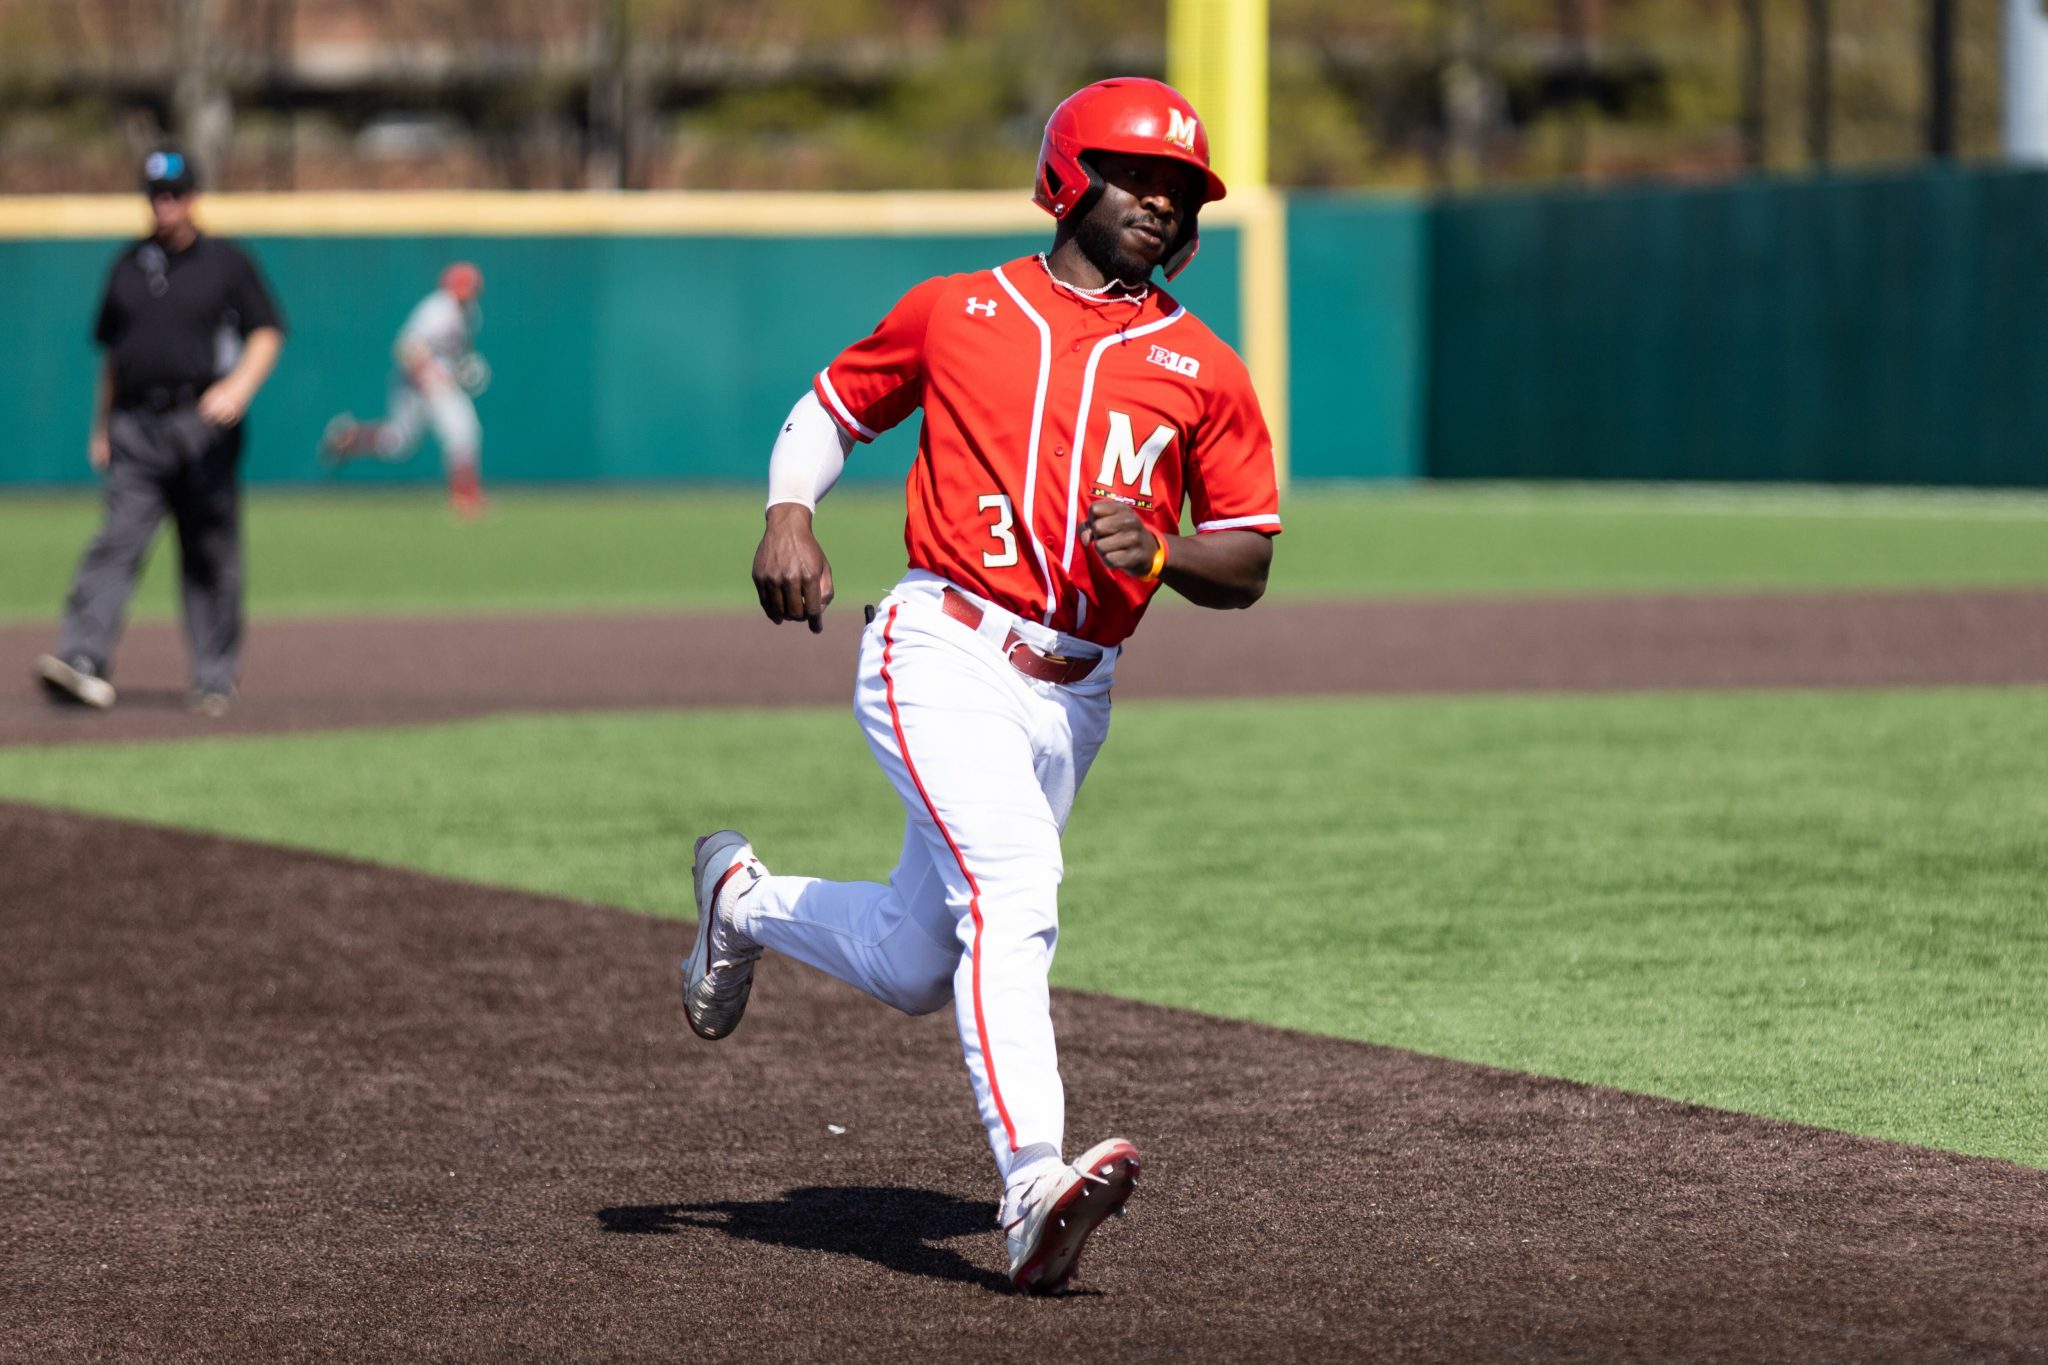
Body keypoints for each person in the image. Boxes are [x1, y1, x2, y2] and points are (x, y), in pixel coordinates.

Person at [680, 78, 1283, 1295]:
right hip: (940, 645)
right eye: (1136, 177)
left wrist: (1164, 555)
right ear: (1067, 178)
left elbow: (1249, 559)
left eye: (1180, 191)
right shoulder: (957, 310)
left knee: (917, 961)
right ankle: (1029, 1187)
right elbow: (830, 411)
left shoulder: (1202, 367)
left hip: (1073, 697)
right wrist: (788, 513)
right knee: (1012, 890)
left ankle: (740, 899)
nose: (1161, 204)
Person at [34, 148, 286, 717]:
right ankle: (82, 659)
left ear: (193, 198)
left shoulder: (226, 262)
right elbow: (114, 353)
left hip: (202, 426)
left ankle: (214, 677)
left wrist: (240, 387)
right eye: (154, 195)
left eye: (172, 194)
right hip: (136, 427)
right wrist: (102, 426)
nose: (162, 205)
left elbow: (268, 331)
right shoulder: (127, 265)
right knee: (115, 542)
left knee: (209, 553)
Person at [319, 262, 490, 520]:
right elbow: (404, 348)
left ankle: (466, 497)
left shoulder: (471, 313)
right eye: (460, 290)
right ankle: (348, 438)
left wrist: (461, 370)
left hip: (440, 385)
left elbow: (458, 353)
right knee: (399, 443)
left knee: (462, 430)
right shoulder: (436, 310)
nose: (464, 295)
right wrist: (428, 374)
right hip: (412, 384)